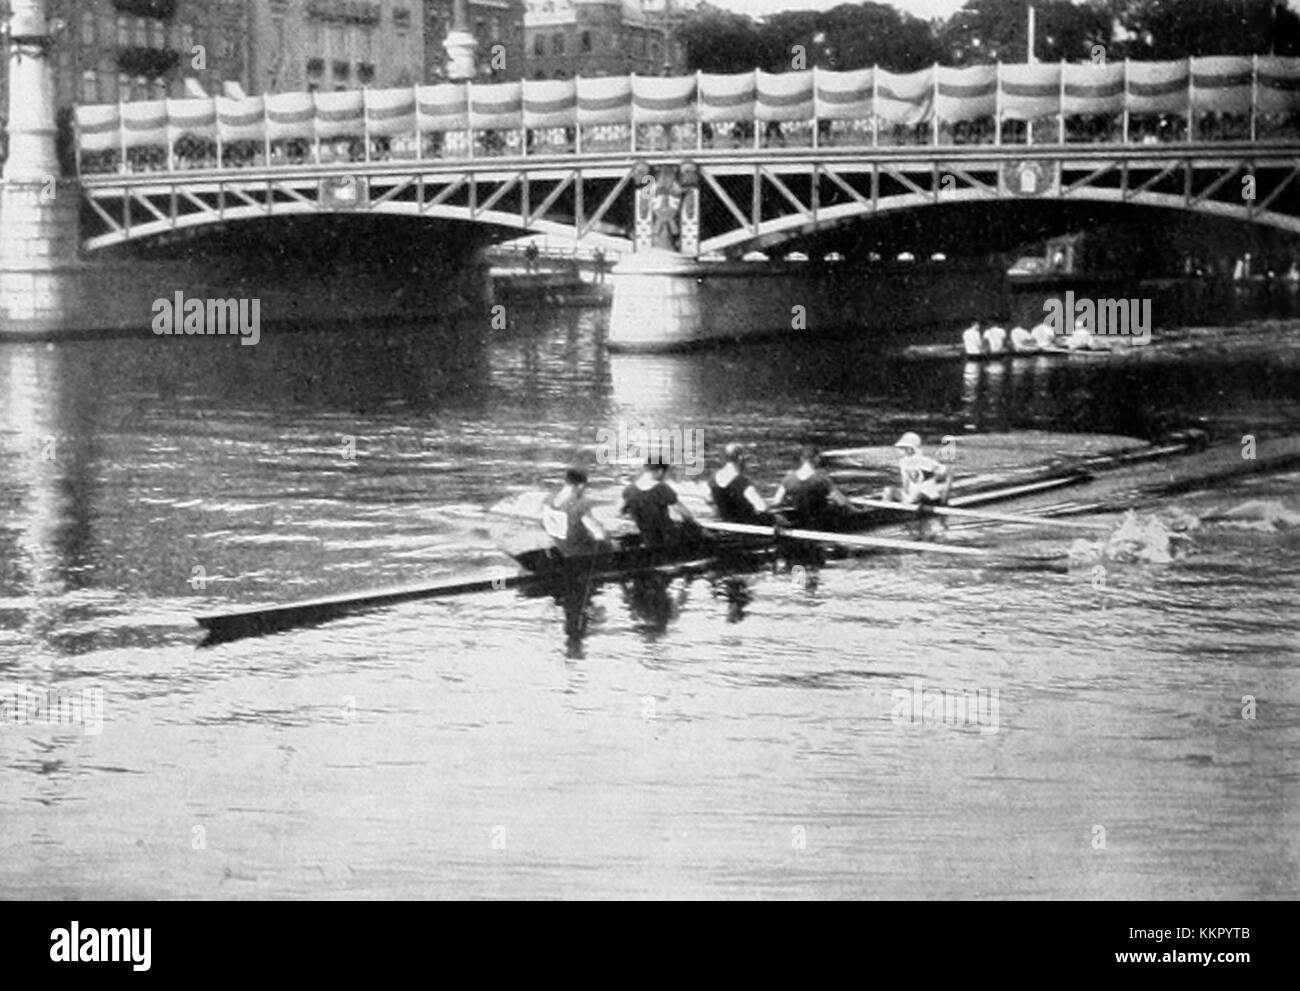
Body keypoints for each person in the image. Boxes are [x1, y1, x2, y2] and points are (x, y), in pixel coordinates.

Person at [620, 458, 696, 547]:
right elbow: (686, 515)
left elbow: (623, 512)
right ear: (660, 471)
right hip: (666, 537)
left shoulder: (628, 490)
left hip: (646, 536)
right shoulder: (662, 488)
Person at [772, 446, 851, 529]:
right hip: (821, 522)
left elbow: (776, 502)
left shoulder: (788, 479)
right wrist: (857, 511)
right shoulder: (822, 479)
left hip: (800, 519)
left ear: (801, 459)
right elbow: (842, 502)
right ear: (817, 459)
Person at [541, 466, 609, 556]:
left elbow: (544, 525)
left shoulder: (548, 500)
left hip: (560, 546)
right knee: (609, 544)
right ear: (581, 486)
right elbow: (600, 534)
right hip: (578, 551)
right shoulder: (579, 505)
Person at [708, 443, 781, 525]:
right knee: (780, 518)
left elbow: (711, 501)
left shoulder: (713, 479)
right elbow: (762, 507)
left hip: (726, 521)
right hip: (746, 524)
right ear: (740, 458)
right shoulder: (742, 482)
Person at [890, 432, 951, 506]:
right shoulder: (903, 462)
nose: (904, 450)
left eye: (907, 447)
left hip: (928, 494)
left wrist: (944, 498)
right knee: (889, 490)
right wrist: (905, 494)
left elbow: (948, 472)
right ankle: (885, 511)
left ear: (914, 448)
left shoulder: (926, 461)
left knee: (918, 494)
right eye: (902, 448)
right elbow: (905, 480)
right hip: (912, 494)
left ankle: (905, 506)